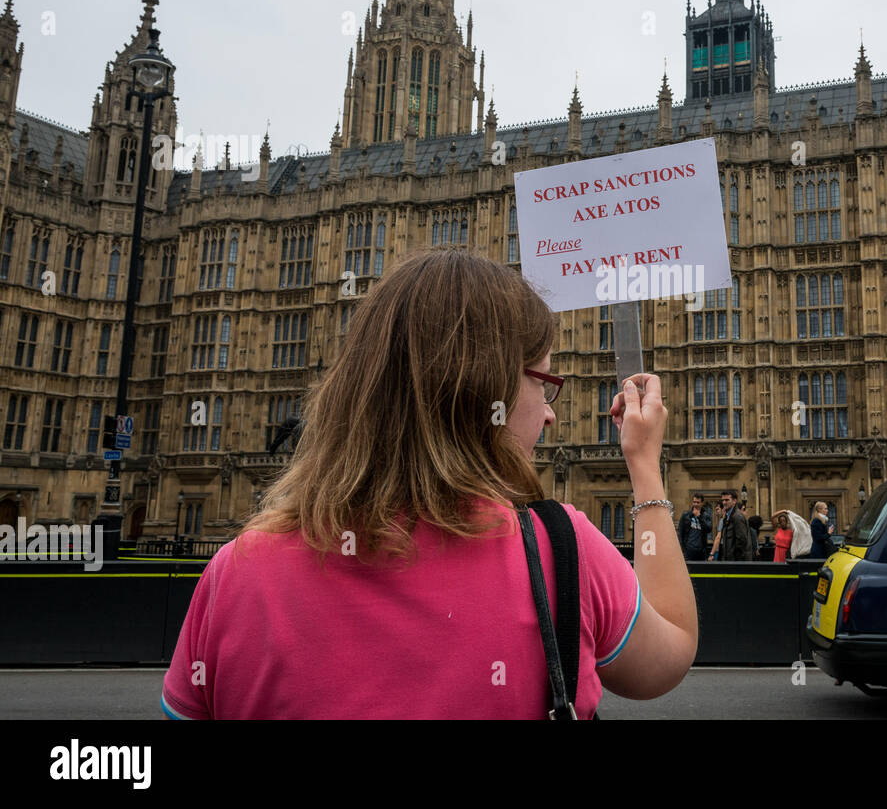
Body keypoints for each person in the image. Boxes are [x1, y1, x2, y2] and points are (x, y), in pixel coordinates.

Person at [160, 248, 697, 719]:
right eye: (544, 382)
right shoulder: (559, 551)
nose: (551, 413)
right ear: (484, 391)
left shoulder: (234, 574)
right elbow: (671, 649)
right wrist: (645, 466)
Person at [717, 489, 753, 561]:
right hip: (729, 559)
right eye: (723, 500)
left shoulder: (737, 516)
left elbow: (742, 541)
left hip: (736, 560)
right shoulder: (727, 516)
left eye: (727, 500)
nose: (724, 502)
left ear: (734, 501)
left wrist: (736, 562)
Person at [678, 493, 712, 561]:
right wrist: (681, 548)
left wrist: (699, 517)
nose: (695, 504)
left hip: (701, 550)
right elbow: (680, 532)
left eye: (698, 502)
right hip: (688, 550)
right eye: (694, 502)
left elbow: (708, 529)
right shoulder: (686, 515)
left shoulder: (706, 515)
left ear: (702, 503)